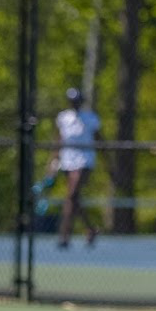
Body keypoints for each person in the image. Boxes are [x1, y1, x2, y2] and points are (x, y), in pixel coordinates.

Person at [55, 87, 102, 248]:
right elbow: (59, 140)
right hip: (67, 160)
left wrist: (109, 164)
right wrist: (53, 162)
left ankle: (65, 234)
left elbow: (99, 140)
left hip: (84, 160)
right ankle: (88, 229)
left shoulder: (90, 118)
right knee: (72, 198)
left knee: (72, 194)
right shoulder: (63, 118)